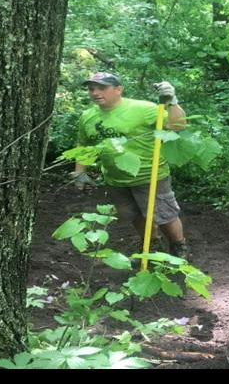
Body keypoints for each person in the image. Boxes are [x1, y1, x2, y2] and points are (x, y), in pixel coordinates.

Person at [71, 72, 190, 259]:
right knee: (134, 216)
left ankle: (178, 246)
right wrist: (80, 172)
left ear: (118, 89)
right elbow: (83, 145)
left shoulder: (142, 109)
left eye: (102, 88)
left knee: (164, 215)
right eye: (91, 88)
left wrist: (172, 101)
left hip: (149, 176)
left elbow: (178, 125)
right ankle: (150, 246)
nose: (95, 92)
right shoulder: (88, 116)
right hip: (115, 180)